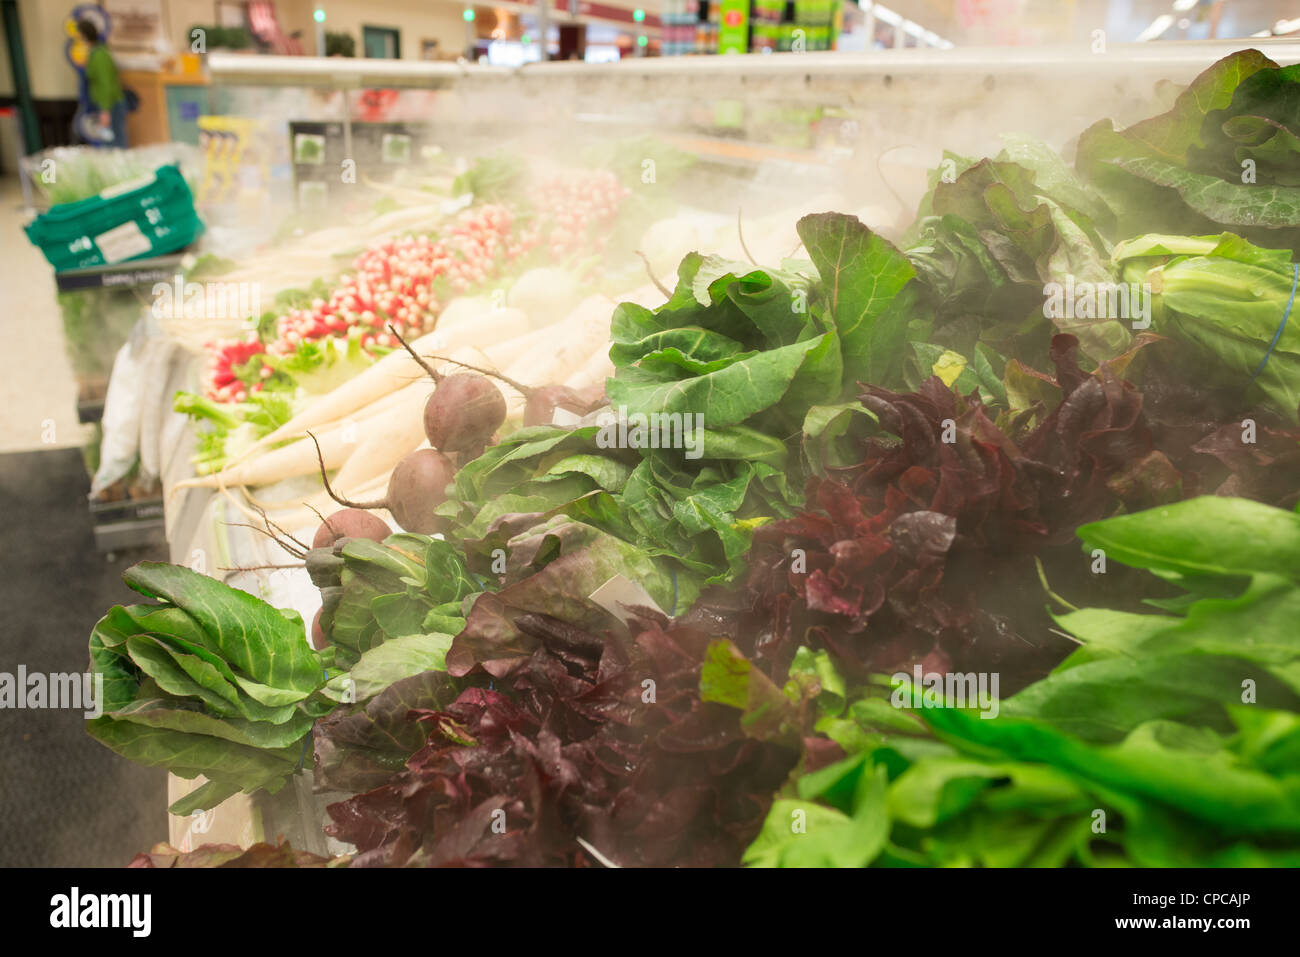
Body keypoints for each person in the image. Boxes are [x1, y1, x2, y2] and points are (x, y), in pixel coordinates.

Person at [78, 19, 128, 148]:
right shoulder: (94, 54)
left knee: (114, 145)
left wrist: (105, 110)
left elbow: (105, 84)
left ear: (84, 35)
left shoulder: (100, 55)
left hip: (111, 104)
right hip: (105, 104)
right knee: (108, 141)